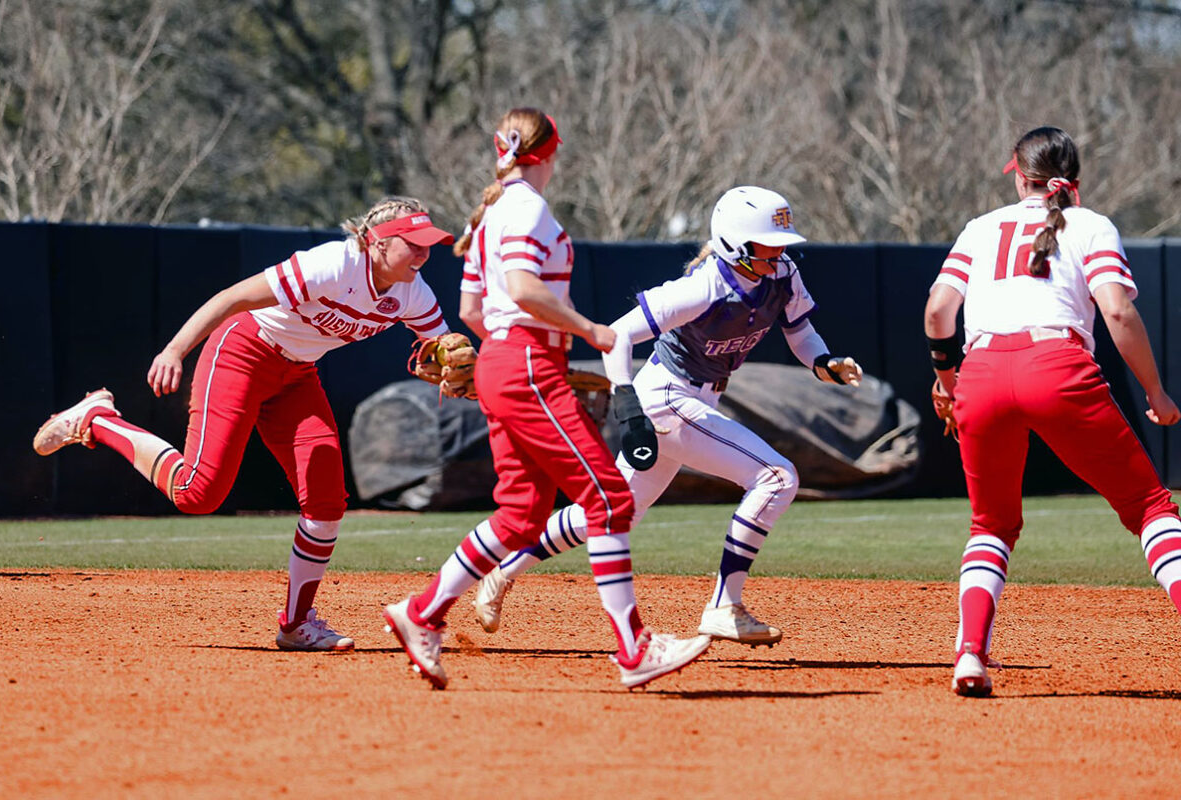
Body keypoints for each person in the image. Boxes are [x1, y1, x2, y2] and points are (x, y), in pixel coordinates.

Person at [33, 197, 457, 652]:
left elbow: (443, 348)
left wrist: (454, 367)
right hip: (243, 353)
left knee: (327, 501)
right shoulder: (333, 265)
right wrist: (174, 351)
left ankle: (296, 624)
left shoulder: (413, 292)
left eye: (428, 245)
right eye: (413, 244)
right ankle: (98, 420)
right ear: (375, 242)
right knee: (198, 494)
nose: (423, 254)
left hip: (297, 376)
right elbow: (230, 298)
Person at [381, 107, 712, 690]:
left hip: (505, 361)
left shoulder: (488, 215)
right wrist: (590, 331)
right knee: (609, 498)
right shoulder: (529, 209)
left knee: (522, 515)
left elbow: (471, 313)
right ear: (551, 152)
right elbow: (524, 288)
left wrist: (506, 357)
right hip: (530, 363)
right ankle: (635, 651)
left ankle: (422, 612)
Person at [470, 186, 865, 646]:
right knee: (777, 477)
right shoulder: (705, 286)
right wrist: (627, 404)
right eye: (766, 244)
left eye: (781, 243)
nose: (777, 253)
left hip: (697, 399)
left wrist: (824, 362)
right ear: (734, 243)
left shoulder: (782, 275)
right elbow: (617, 335)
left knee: (618, 512)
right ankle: (724, 604)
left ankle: (503, 571)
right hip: (666, 396)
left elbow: (801, 332)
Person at [924, 126, 1181, 697]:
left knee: (991, 525)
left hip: (982, 372)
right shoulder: (1090, 224)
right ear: (1075, 179)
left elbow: (939, 311)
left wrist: (948, 381)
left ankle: (970, 656)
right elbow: (1117, 312)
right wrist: (1156, 392)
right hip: (1057, 366)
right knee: (1149, 506)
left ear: (1018, 174)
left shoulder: (979, 227)